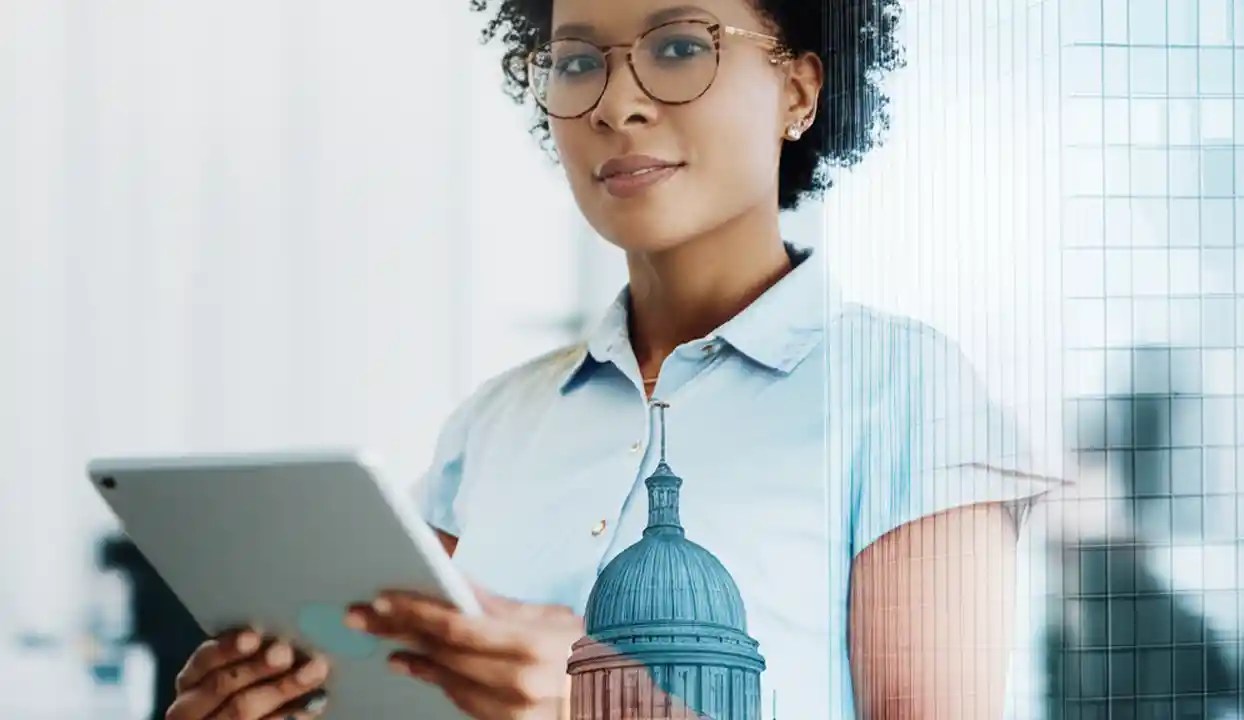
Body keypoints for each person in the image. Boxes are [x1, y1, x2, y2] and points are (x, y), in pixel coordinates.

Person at [164, 0, 1053, 718]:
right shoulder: (494, 424)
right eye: (578, 62)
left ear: (798, 90)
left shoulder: (904, 396)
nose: (613, 103)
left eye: (676, 47)